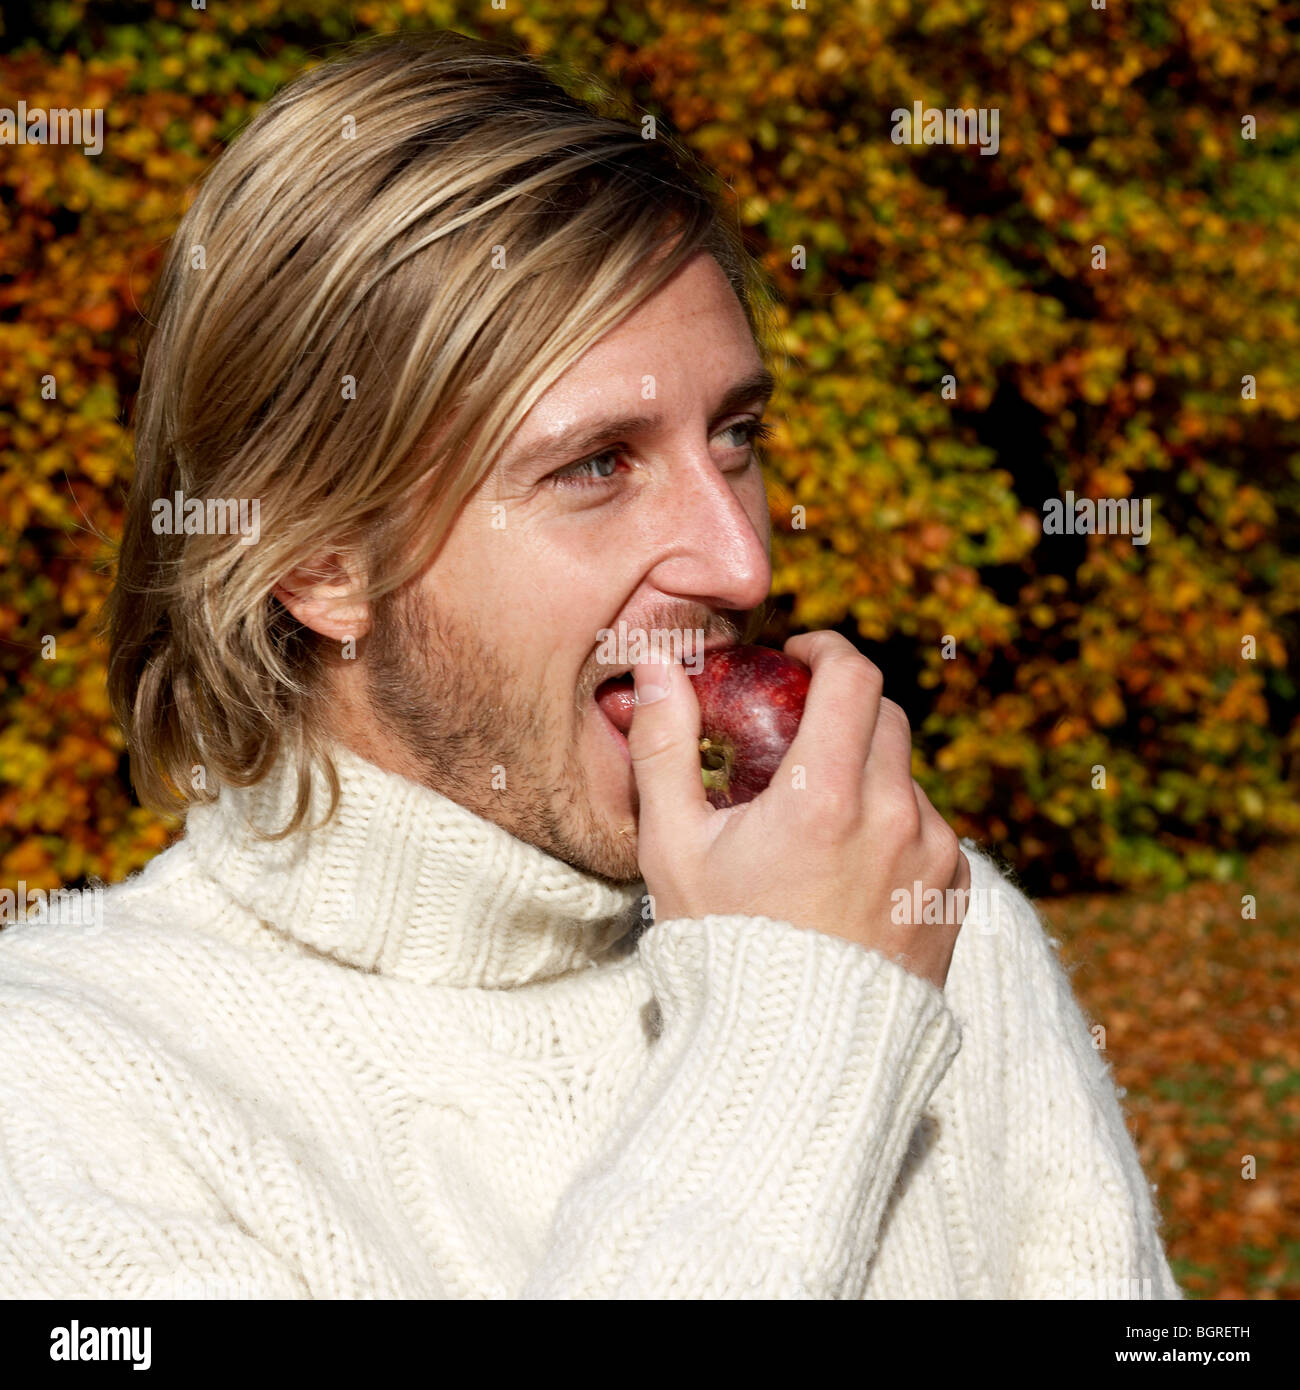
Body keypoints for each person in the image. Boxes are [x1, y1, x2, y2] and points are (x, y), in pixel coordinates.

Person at [0, 29, 1180, 1299]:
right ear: (319, 562)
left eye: (735, 437)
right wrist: (796, 1034)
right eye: (596, 465)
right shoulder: (65, 1095)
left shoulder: (933, 926)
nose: (739, 562)